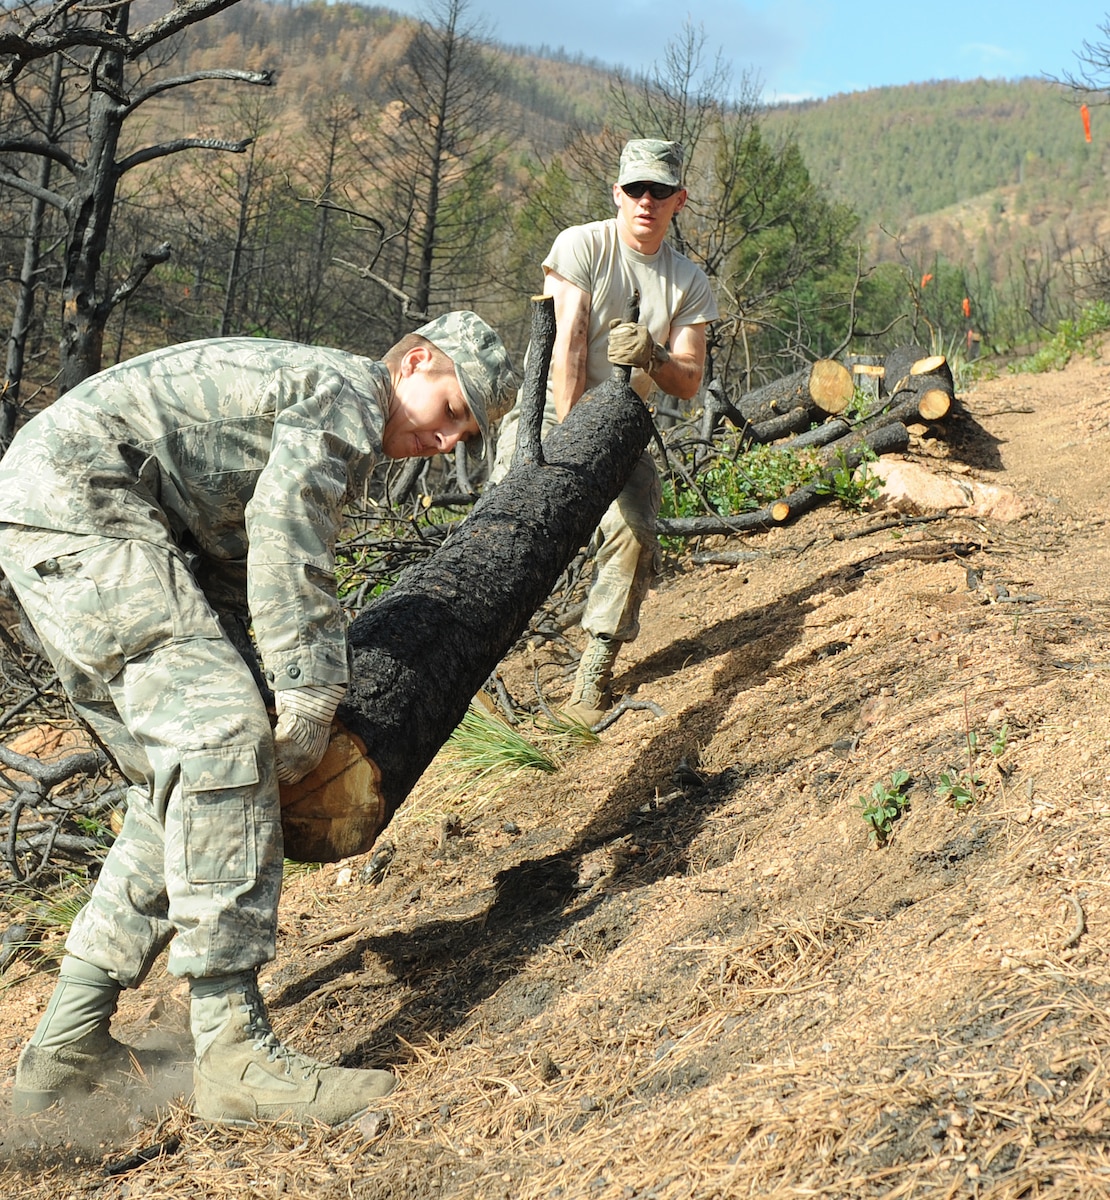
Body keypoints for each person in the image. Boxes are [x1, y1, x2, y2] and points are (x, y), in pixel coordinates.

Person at [0, 313, 515, 1126]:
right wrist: (308, 691)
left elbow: (237, 559)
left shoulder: (298, 406)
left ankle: (67, 1044)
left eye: (466, 433)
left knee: (179, 779)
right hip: (82, 498)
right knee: (222, 740)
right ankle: (234, 1053)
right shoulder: (348, 390)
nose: (449, 440)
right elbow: (287, 524)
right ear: (414, 361)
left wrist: (264, 678)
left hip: (77, 506)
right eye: (452, 410)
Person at [489, 138, 718, 725]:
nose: (647, 200)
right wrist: (570, 450)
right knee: (503, 525)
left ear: (678, 201)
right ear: (617, 192)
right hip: (548, 416)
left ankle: (594, 670)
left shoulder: (688, 282)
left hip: (622, 429)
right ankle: (479, 669)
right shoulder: (581, 244)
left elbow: (689, 383)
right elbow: (567, 344)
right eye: (636, 189)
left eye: (660, 191)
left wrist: (653, 355)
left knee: (636, 531)